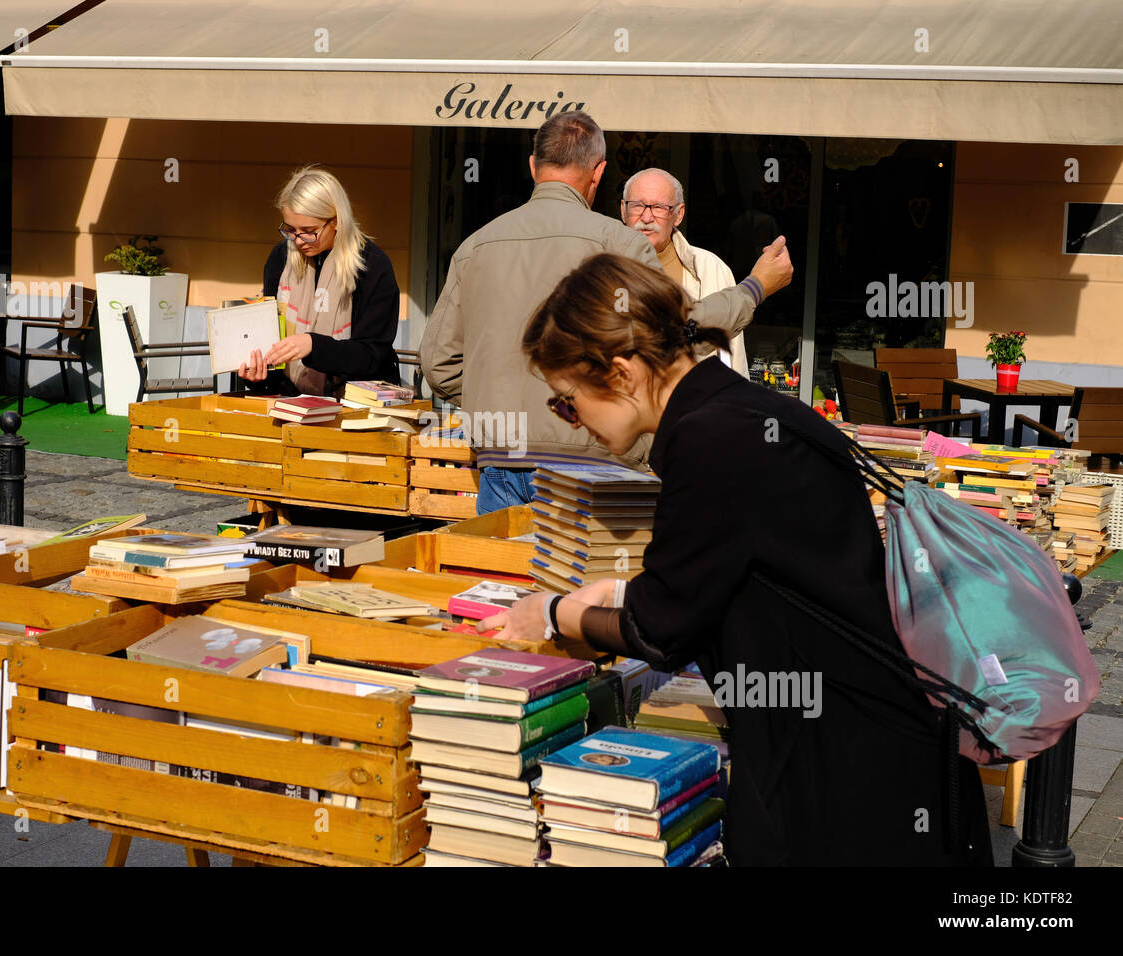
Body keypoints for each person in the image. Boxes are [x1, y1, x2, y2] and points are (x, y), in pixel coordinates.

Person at [480, 253, 994, 867]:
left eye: (567, 401)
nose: (572, 421)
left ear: (619, 373)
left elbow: (659, 629)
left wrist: (552, 614)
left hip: (836, 773)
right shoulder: (744, 410)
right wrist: (620, 592)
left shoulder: (706, 439)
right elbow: (734, 570)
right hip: (872, 740)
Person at [420, 110, 792, 514]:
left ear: (533, 166)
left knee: (505, 575)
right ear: (597, 172)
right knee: (584, 577)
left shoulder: (476, 246)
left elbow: (438, 363)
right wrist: (754, 288)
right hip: (589, 461)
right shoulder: (619, 244)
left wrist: (498, 402)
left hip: (501, 458)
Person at [239, 166, 400, 396]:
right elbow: (271, 340)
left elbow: (373, 355)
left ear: (336, 220)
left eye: (309, 230)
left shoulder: (371, 265)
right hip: (289, 400)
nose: (298, 240)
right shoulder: (281, 258)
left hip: (356, 406)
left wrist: (313, 345)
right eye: (290, 230)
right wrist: (258, 374)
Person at [621, 167, 750, 378]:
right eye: (637, 206)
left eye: (658, 207)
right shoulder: (600, 268)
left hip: (694, 404)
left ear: (678, 214)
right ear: (623, 211)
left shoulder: (711, 268)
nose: (646, 216)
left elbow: (733, 358)